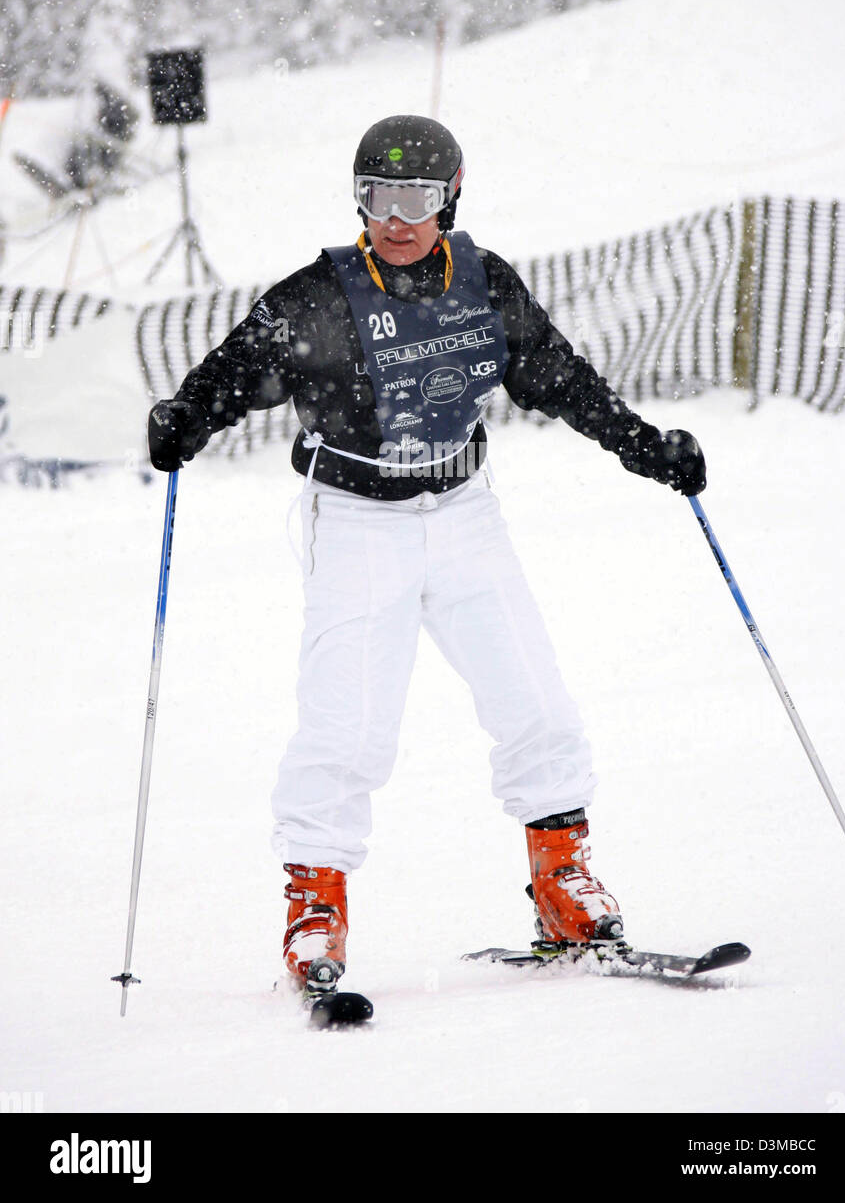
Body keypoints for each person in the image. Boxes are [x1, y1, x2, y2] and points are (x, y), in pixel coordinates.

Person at [148, 115, 706, 996]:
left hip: (463, 513)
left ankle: (564, 884)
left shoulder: (484, 285)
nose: (395, 218)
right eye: (376, 196)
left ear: (451, 197)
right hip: (359, 519)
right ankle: (315, 908)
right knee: (348, 725)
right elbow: (233, 372)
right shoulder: (317, 297)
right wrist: (183, 418)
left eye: (414, 197)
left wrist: (643, 445)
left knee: (534, 697)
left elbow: (560, 378)